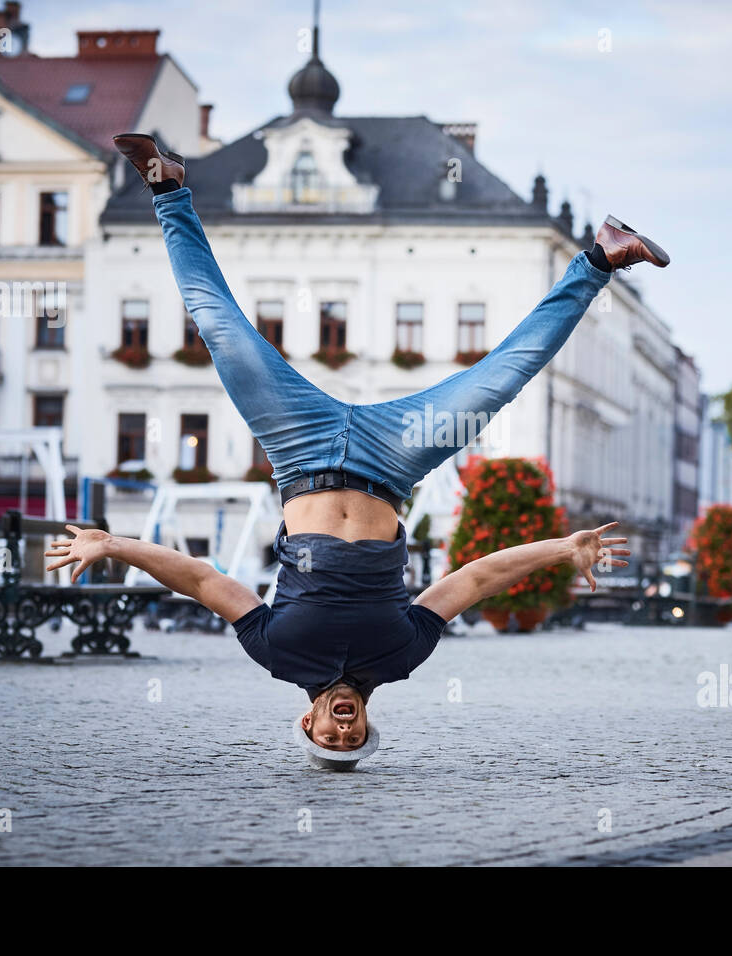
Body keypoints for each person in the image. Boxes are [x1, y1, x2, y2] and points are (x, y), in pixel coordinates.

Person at [46, 133, 665, 770]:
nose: (343, 734)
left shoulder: (277, 654)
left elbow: (204, 581)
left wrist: (114, 544)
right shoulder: (399, 656)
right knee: (507, 372)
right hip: (393, 461)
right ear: (366, 725)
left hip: (297, 447)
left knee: (220, 328)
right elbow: (474, 579)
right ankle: (601, 255)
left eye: (328, 740)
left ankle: (168, 189)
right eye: (352, 742)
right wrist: (563, 548)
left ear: (306, 721)